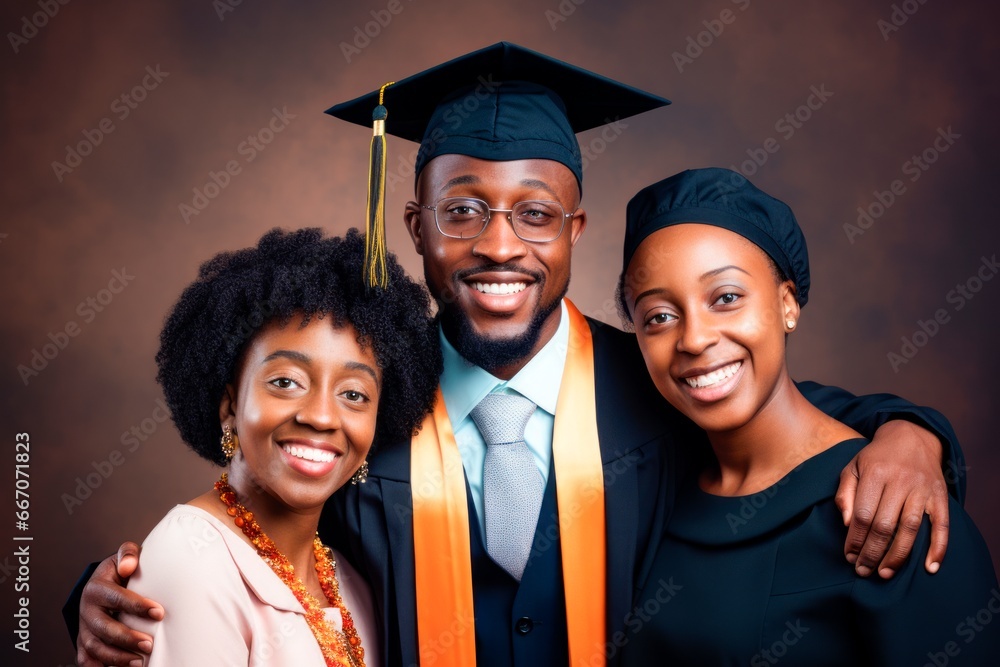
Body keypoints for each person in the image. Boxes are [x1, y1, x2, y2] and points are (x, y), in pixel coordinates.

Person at [68, 43, 965, 667]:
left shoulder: (657, 385)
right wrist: (104, 593)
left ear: (575, 230)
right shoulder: (364, 399)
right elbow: (248, 532)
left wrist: (907, 432)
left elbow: (783, 418)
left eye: (536, 212)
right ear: (414, 228)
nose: (501, 243)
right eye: (461, 210)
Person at [616, 168, 999, 665]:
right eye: (659, 317)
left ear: (787, 303)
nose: (693, 338)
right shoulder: (652, 479)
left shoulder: (891, 510)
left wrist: (914, 434)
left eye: (726, 298)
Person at [111, 227, 440, 665]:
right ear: (229, 405)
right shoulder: (191, 558)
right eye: (285, 382)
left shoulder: (351, 579)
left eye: (354, 394)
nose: (321, 416)